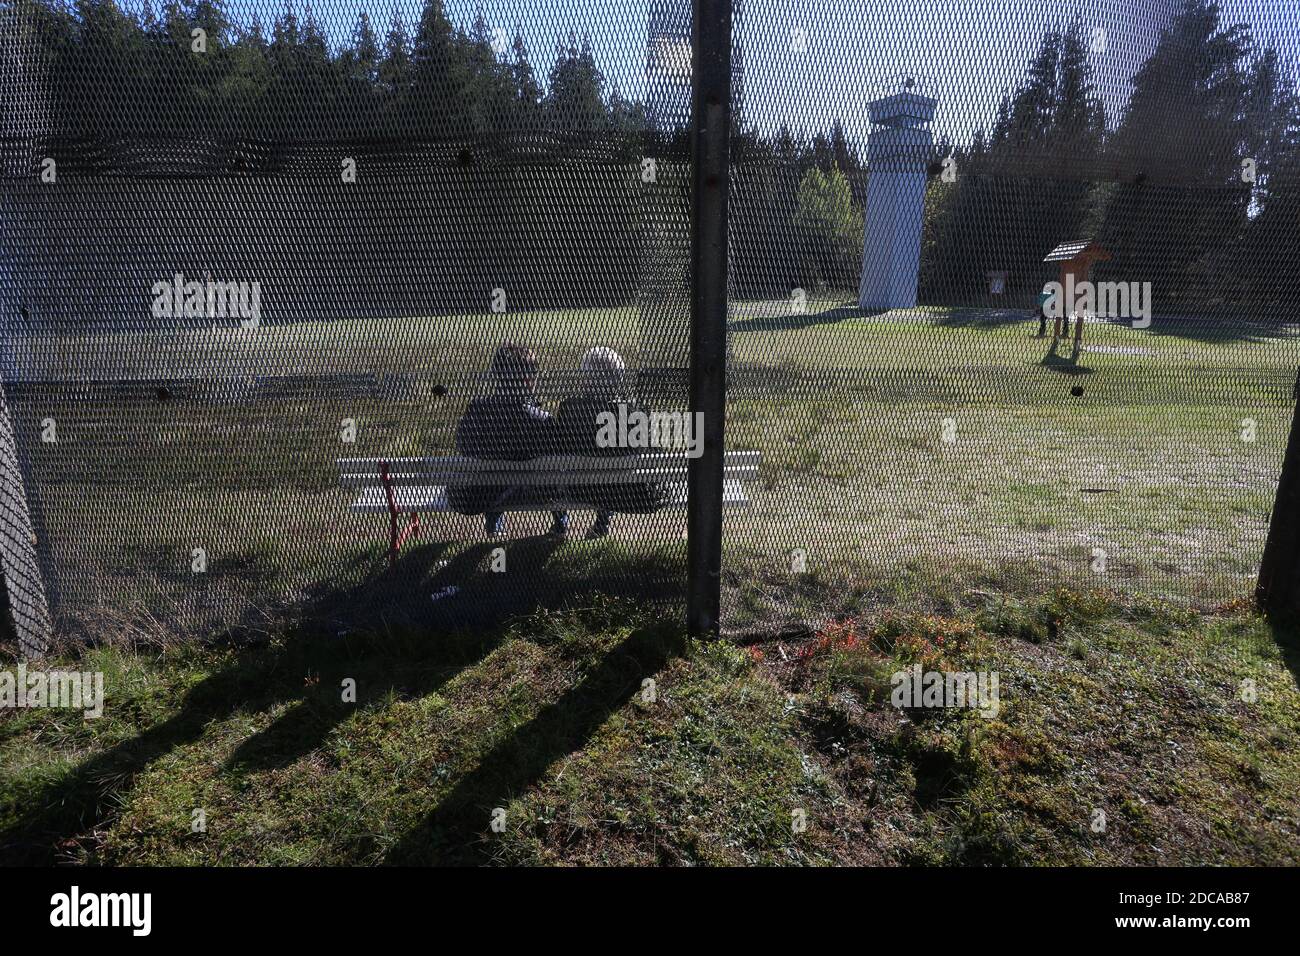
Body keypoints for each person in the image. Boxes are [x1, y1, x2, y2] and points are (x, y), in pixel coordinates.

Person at [447, 344, 568, 537]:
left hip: (488, 493)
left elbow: (464, 447)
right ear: (528, 380)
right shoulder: (541, 419)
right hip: (535, 493)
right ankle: (561, 524)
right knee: (547, 473)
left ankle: (495, 527)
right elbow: (558, 458)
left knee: (492, 471)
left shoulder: (477, 410)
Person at [554, 347, 664, 538]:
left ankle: (560, 526)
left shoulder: (569, 409)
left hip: (579, 489)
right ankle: (602, 522)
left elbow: (556, 448)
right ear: (619, 379)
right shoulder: (636, 413)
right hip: (626, 492)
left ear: (587, 379)